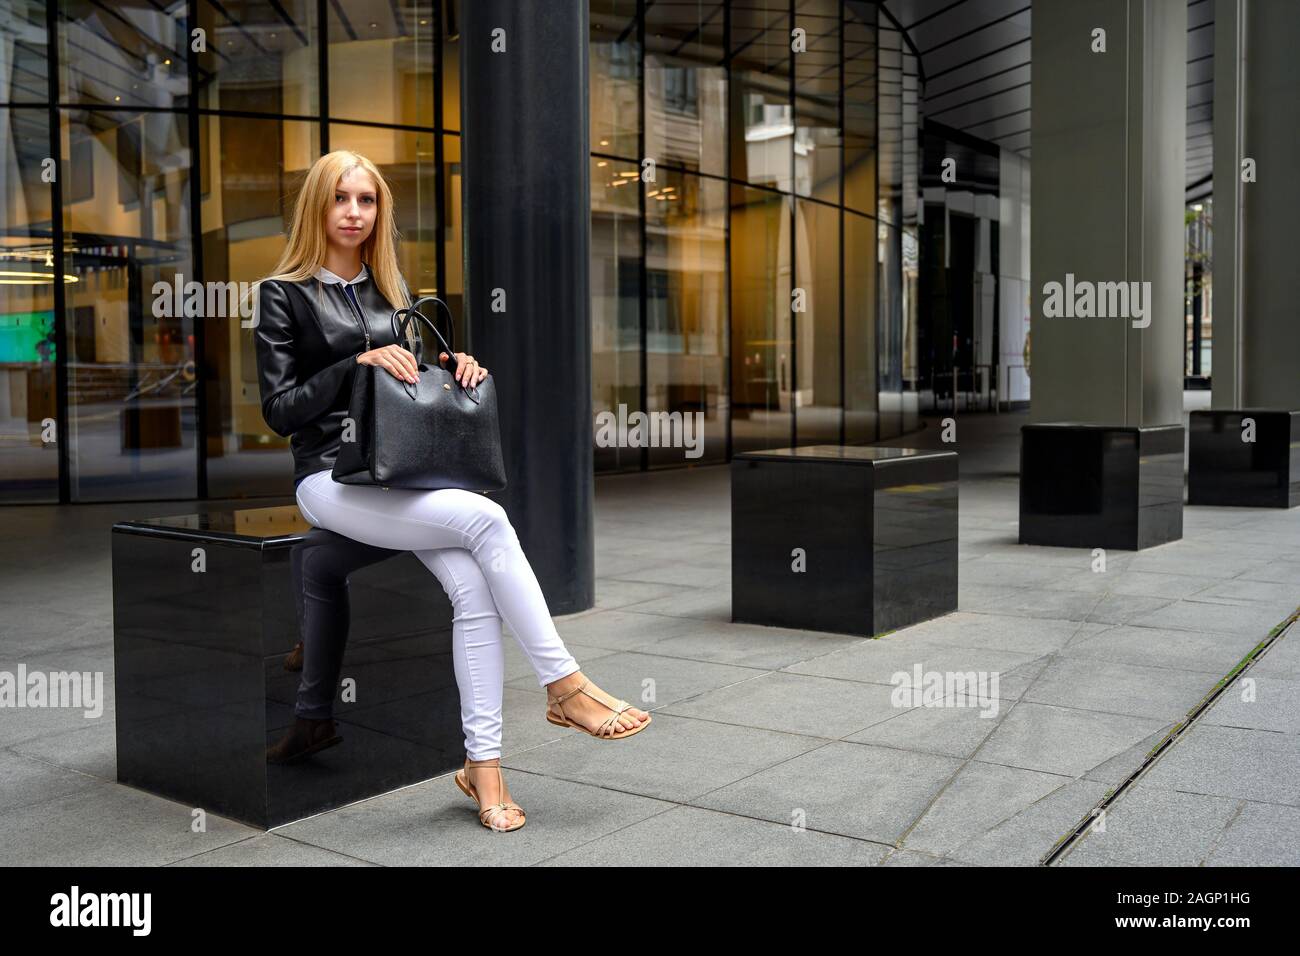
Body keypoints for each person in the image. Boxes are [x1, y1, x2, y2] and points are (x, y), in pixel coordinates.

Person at [252, 150, 650, 831]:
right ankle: (565, 686)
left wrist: (453, 367)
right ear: (317, 207)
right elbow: (280, 409)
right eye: (340, 199)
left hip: (403, 472)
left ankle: (484, 772)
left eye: (367, 200)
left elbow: (412, 387)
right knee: (485, 521)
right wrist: (356, 363)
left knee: (471, 587)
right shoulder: (283, 294)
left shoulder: (392, 293)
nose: (354, 212)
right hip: (329, 476)